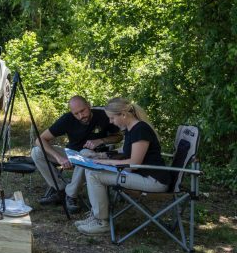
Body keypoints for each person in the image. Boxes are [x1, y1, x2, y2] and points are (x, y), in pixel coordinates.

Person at [75, 97, 168, 235]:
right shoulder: (131, 129)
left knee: (94, 175)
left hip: (153, 180)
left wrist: (107, 163)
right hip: (141, 175)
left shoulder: (140, 129)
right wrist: (100, 156)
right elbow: (124, 151)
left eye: (112, 118)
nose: (111, 122)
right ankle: (96, 216)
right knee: (92, 169)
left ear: (123, 115)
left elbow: (134, 163)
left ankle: (101, 223)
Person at [32, 95, 122, 213]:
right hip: (71, 154)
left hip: (94, 157)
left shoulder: (103, 116)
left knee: (85, 153)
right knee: (36, 152)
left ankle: (71, 195)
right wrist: (59, 157)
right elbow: (40, 139)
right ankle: (60, 189)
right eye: (76, 114)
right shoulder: (67, 119)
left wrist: (101, 140)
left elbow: (119, 136)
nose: (81, 116)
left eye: (83, 111)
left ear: (88, 105)